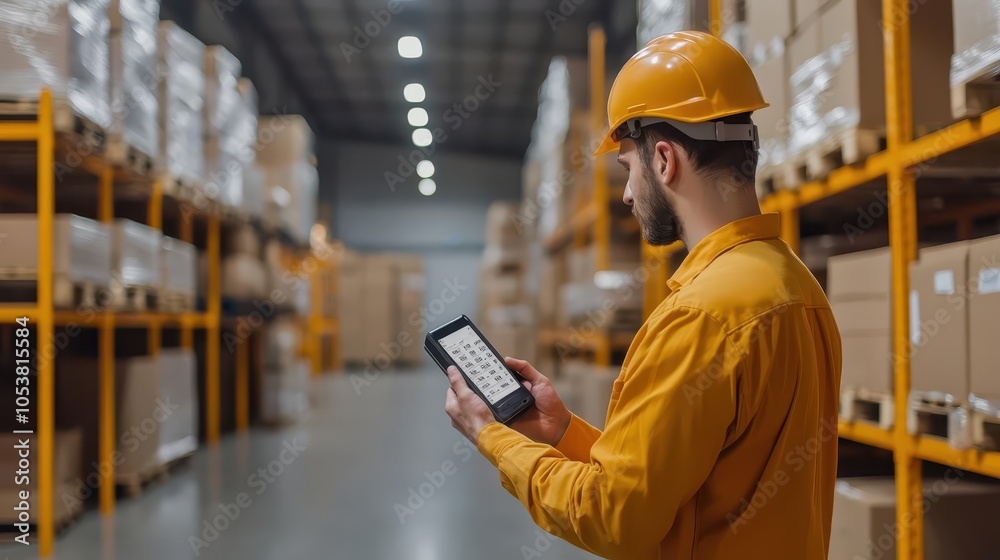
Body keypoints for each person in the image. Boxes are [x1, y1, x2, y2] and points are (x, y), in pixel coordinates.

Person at [445, 30, 841, 560]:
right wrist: (562, 431)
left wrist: (493, 437)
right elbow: (673, 478)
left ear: (664, 159)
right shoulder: (798, 286)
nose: (628, 195)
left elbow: (614, 518)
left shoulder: (700, 317)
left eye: (628, 169)